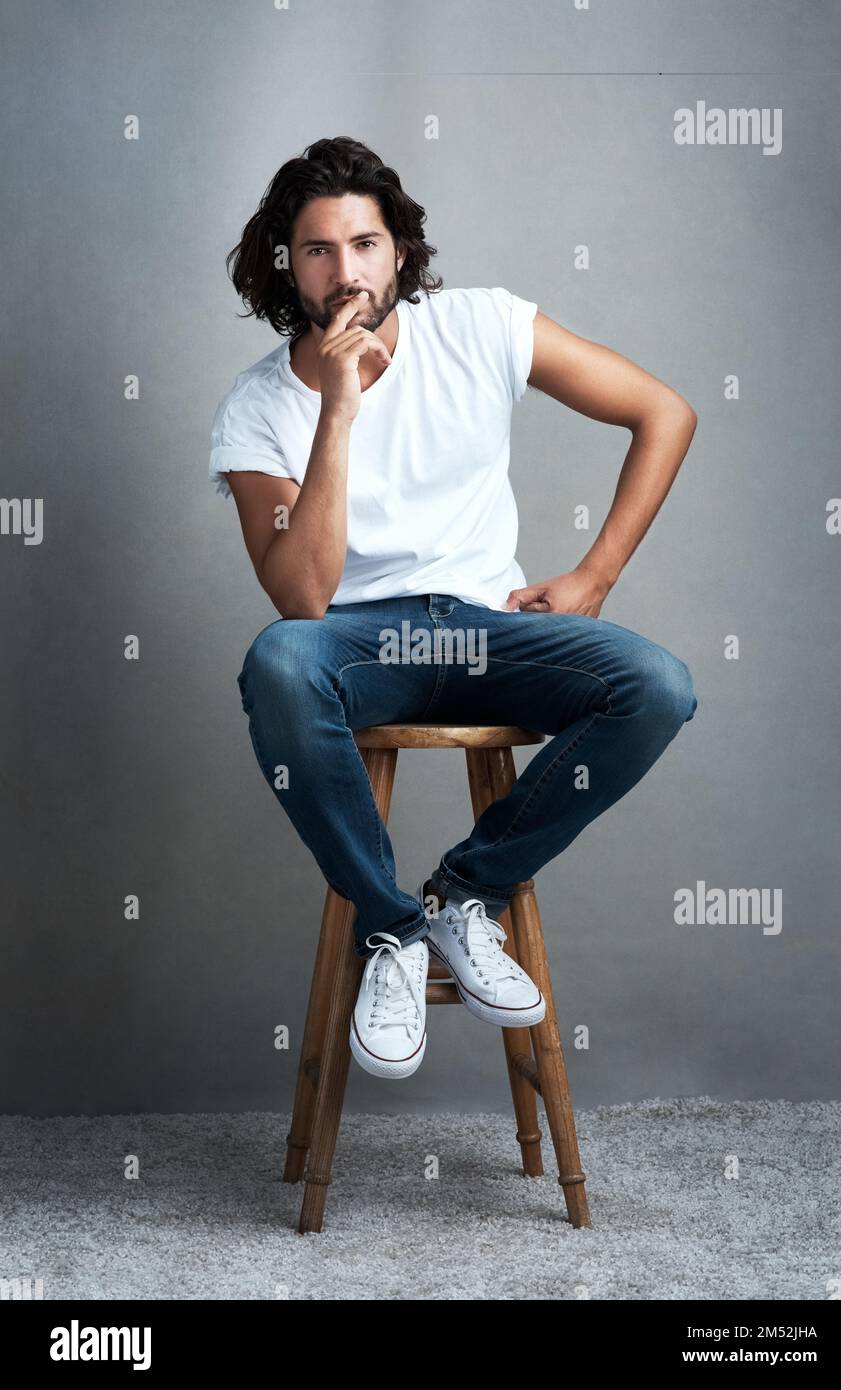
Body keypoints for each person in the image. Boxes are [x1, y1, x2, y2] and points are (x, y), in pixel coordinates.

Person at [209, 136, 699, 1081]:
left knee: (655, 686)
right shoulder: (257, 407)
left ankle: (464, 893)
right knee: (276, 660)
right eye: (317, 249)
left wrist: (593, 576)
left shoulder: (480, 326)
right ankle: (389, 933)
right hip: (355, 645)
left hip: (489, 628)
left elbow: (664, 412)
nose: (344, 272)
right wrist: (339, 409)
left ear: (400, 251)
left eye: (363, 244)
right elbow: (302, 597)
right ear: (288, 264)